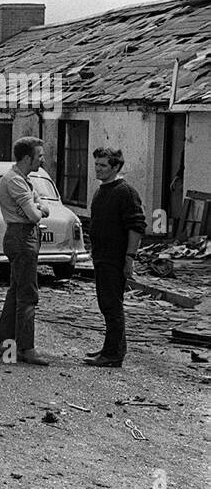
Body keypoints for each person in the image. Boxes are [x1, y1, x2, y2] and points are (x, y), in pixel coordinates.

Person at [85, 147, 147, 367]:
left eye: (103, 165)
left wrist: (129, 257)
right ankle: (112, 348)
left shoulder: (125, 192)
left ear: (116, 167)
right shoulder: (102, 190)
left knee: (112, 305)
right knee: (106, 304)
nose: (98, 169)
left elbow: (136, 226)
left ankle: (113, 355)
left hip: (115, 258)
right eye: (96, 164)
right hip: (101, 257)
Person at [0, 136, 51, 366]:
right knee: (28, 294)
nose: (43, 160)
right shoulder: (15, 181)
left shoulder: (23, 179)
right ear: (28, 158)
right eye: (40, 156)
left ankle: (6, 343)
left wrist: (38, 206)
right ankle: (26, 348)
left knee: (16, 290)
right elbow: (36, 214)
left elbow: (44, 205)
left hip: (22, 236)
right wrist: (38, 207)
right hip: (21, 236)